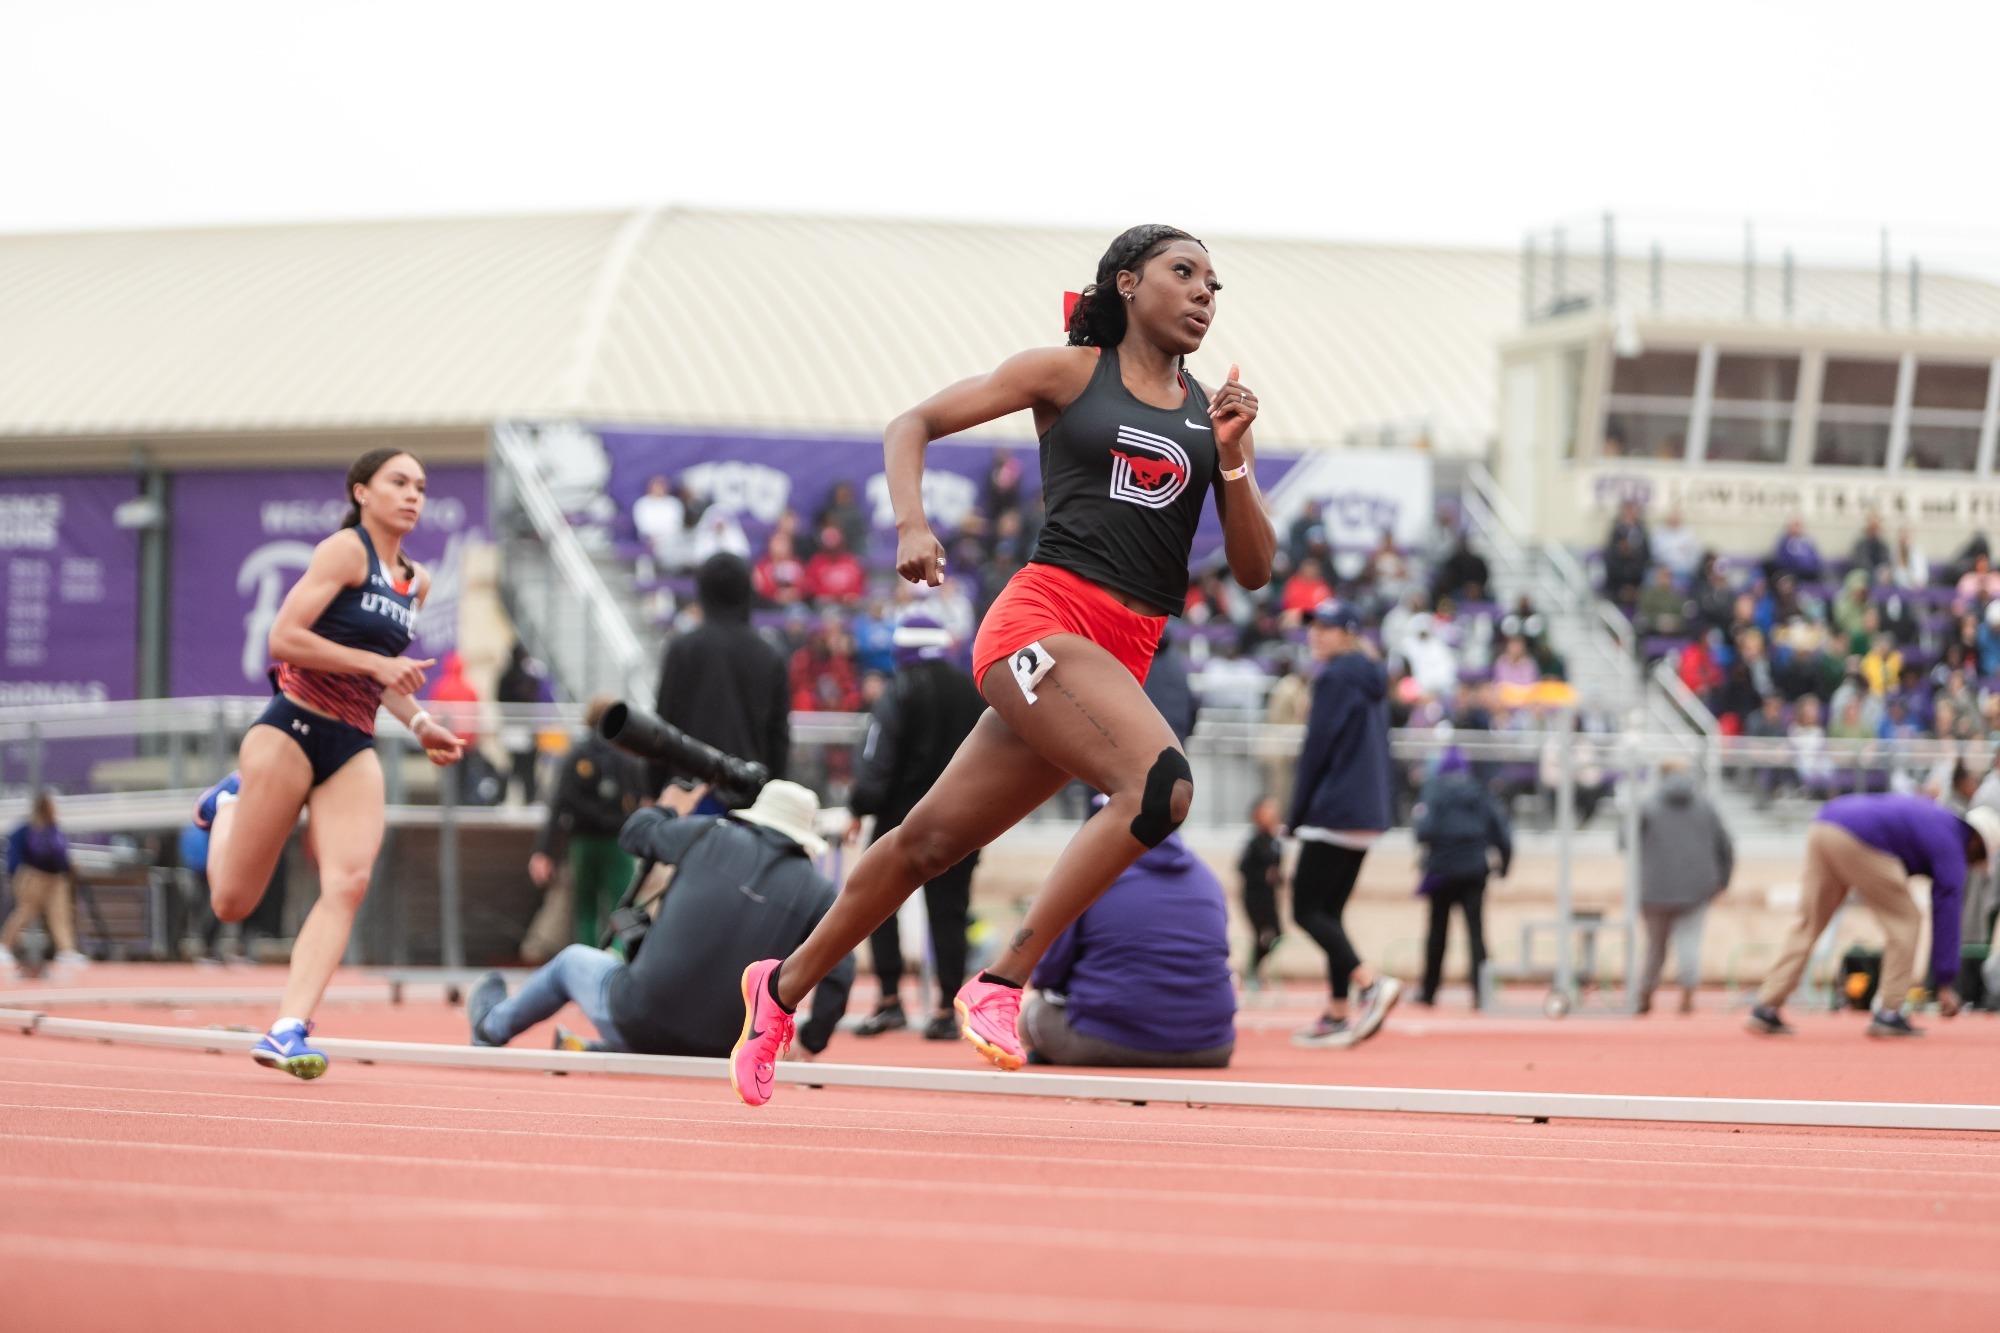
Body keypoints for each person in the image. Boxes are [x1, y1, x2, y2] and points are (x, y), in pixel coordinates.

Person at [727, 224, 1276, 1105]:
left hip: (1113, 661)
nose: (1207, 293)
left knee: (927, 843)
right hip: (1040, 623)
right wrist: (911, 521)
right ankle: (1004, 979)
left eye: (1217, 283)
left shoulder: (1205, 416)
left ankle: (780, 987)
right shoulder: (1068, 373)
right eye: (1186, 273)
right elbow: (915, 422)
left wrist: (1235, 456)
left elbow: (1253, 569)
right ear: (1129, 284)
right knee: (1162, 786)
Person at [191, 450, 466, 1079]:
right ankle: (229, 804)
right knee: (233, 902)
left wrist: (421, 723)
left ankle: (289, 1027)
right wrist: (374, 666)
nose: (412, 496)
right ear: (362, 492)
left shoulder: (416, 582)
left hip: (351, 743)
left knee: (348, 881)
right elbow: (284, 638)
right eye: (398, 483)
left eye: (421, 487)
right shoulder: (345, 551)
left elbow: (384, 673)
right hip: (291, 725)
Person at [469, 780, 852, 1058]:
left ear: (757, 817)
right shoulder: (819, 891)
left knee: (571, 961)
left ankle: (491, 1027)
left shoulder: (707, 834)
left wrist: (670, 806)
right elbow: (841, 969)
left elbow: (635, 833)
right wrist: (812, 1042)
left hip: (640, 1017)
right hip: (728, 1047)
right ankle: (605, 1052)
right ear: (805, 837)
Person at [1748, 794, 2000, 1038]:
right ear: (1977, 841)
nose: (1972, 865)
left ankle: (1766, 1005)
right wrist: (1945, 982)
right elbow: (1947, 912)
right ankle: (1889, 1011)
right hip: (1859, 837)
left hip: (1824, 825)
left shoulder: (1938, 821)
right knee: (1907, 920)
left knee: (1809, 924)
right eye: (1979, 857)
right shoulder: (1954, 843)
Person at [849, 615, 986, 1041]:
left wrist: (860, 805)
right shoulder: (972, 691)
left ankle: (890, 1000)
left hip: (900, 820)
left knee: (877, 905)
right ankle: (948, 1007)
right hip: (962, 819)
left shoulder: (899, 690)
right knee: (951, 911)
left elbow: (879, 758)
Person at [1023, 822, 1236, 1068]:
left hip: (1109, 1043)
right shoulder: (1206, 877)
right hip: (1213, 1047)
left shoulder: (1091, 871)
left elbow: (1048, 973)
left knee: (1030, 1009)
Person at [1288, 598, 1400, 1047]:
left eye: (1327, 628)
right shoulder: (1367, 675)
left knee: (1305, 910)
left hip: (1334, 808)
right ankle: (1337, 1012)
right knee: (1330, 912)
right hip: (1364, 811)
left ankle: (1370, 983)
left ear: (1348, 632)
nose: (1316, 634)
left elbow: (1317, 749)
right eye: (1313, 626)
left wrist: (1295, 815)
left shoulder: (1334, 676)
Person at [653, 552, 791, 793]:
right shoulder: (770, 654)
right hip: (748, 795)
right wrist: (771, 792)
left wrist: (652, 789)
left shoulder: (681, 649)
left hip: (686, 794)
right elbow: (778, 736)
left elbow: (663, 724)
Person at [529, 695, 648, 948]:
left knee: (585, 909)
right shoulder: (628, 757)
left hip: (583, 840)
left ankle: (587, 960)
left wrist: (543, 850)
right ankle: (623, 958)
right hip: (618, 841)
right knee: (624, 904)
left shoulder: (575, 755)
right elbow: (642, 799)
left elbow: (559, 805)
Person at [1411, 748, 1511, 1008]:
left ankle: (1429, 991)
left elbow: (1423, 830)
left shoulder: (1434, 791)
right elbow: (1502, 833)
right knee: (1476, 933)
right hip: (1474, 871)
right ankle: (1481, 993)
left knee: (1436, 933)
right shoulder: (1480, 793)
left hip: (1441, 871)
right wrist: (1504, 866)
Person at [1635, 762, 1733, 1015]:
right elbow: (1725, 845)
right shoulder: (1705, 806)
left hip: (1654, 887)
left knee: (1655, 946)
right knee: (1689, 942)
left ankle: (1645, 993)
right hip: (1697, 886)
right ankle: (1687, 994)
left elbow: (1625, 841)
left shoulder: (1646, 805)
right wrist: (1724, 879)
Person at [0, 792, 86, 978]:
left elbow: (60, 852)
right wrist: (18, 874)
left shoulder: (54, 828)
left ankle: (66, 950)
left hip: (56, 877)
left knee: (60, 913)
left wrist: (68, 866)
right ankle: (4, 946)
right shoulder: (28, 827)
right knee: (25, 911)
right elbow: (19, 853)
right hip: (35, 875)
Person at [494, 643, 550, 804]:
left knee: (518, 765)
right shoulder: (524, 679)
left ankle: (510, 799)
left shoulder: (517, 678)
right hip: (520, 728)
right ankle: (520, 798)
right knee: (522, 766)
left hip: (519, 728)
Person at [1238, 796, 1285, 987]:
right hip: (1254, 896)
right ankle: (1252, 972)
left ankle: (1254, 968)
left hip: (1269, 897)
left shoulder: (1275, 841)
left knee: (1278, 935)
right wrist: (1263, 875)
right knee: (1260, 935)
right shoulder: (1253, 842)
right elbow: (1243, 868)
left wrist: (1280, 878)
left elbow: (1277, 869)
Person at [632, 475, 688, 571]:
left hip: (671, 540)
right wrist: (653, 537)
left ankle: (673, 573)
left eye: (661, 486)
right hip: (649, 540)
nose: (659, 489)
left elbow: (675, 524)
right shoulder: (642, 504)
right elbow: (643, 525)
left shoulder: (674, 503)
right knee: (646, 555)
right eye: (656, 487)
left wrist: (663, 537)